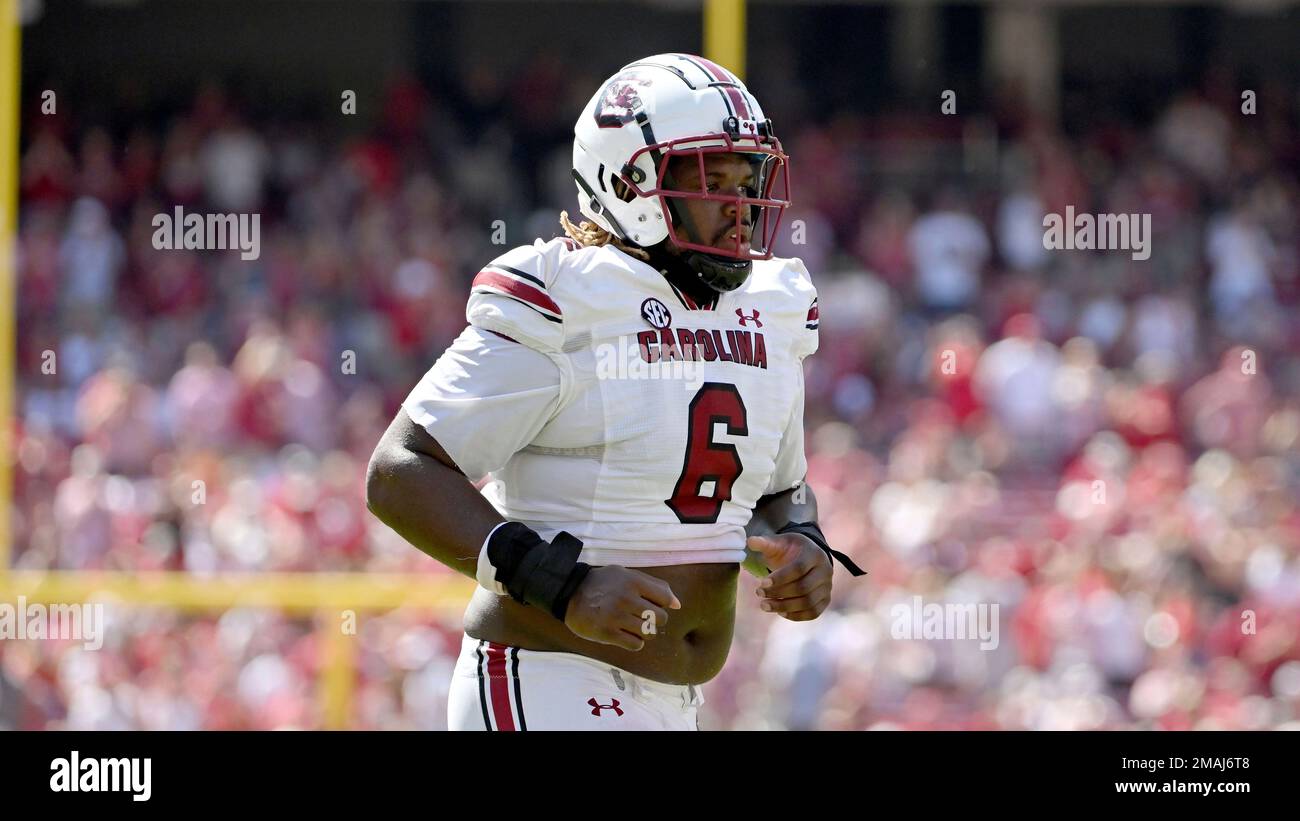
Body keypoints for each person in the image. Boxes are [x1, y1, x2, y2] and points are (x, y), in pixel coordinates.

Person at [366, 53, 863, 731]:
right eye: (713, 180)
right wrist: (560, 582)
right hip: (548, 676)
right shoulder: (573, 300)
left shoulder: (770, 308)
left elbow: (775, 492)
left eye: (747, 179)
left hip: (674, 702)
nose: (742, 207)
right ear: (631, 183)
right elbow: (401, 470)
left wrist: (800, 539)